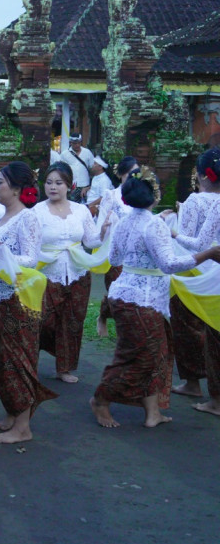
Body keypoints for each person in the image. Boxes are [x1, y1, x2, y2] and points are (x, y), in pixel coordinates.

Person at [91, 171, 220, 428]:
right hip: (142, 300)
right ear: (154, 197)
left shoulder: (124, 223)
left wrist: (138, 258)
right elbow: (169, 264)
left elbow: (114, 260)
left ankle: (153, 412)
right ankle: (100, 399)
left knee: (157, 354)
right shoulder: (155, 225)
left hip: (130, 295)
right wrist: (208, 254)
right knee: (141, 356)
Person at [0, 161, 57, 444]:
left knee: (15, 360)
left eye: (1, 182)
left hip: (18, 299)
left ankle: (23, 426)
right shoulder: (1, 216)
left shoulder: (27, 218)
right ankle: (14, 410)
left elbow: (30, 259)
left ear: (17, 188)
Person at [34, 162, 107, 383]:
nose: (53, 187)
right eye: (49, 182)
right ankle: (30, 362)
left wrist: (104, 231)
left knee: (73, 321)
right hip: (47, 273)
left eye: (58, 183)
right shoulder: (37, 211)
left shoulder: (81, 210)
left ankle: (64, 368)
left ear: (69, 185)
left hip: (78, 273)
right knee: (42, 321)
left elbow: (91, 240)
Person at [172, 149, 220, 412]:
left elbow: (195, 243)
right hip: (214, 268)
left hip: (199, 267)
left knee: (188, 326)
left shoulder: (196, 201)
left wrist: (172, 232)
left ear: (200, 174)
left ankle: (194, 382)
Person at [96, 156, 140, 336]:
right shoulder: (111, 196)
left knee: (133, 294)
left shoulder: (141, 194)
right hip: (115, 250)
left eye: (137, 173)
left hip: (136, 253)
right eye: (130, 174)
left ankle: (130, 331)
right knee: (117, 291)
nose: (134, 177)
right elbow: (101, 225)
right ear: (121, 174)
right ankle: (104, 313)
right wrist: (104, 232)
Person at [61, 135, 93, 200]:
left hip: (85, 185)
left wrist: (90, 186)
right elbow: (61, 170)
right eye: (75, 143)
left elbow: (92, 168)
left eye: (79, 142)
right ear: (70, 143)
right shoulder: (64, 154)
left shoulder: (87, 152)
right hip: (71, 186)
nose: (77, 145)